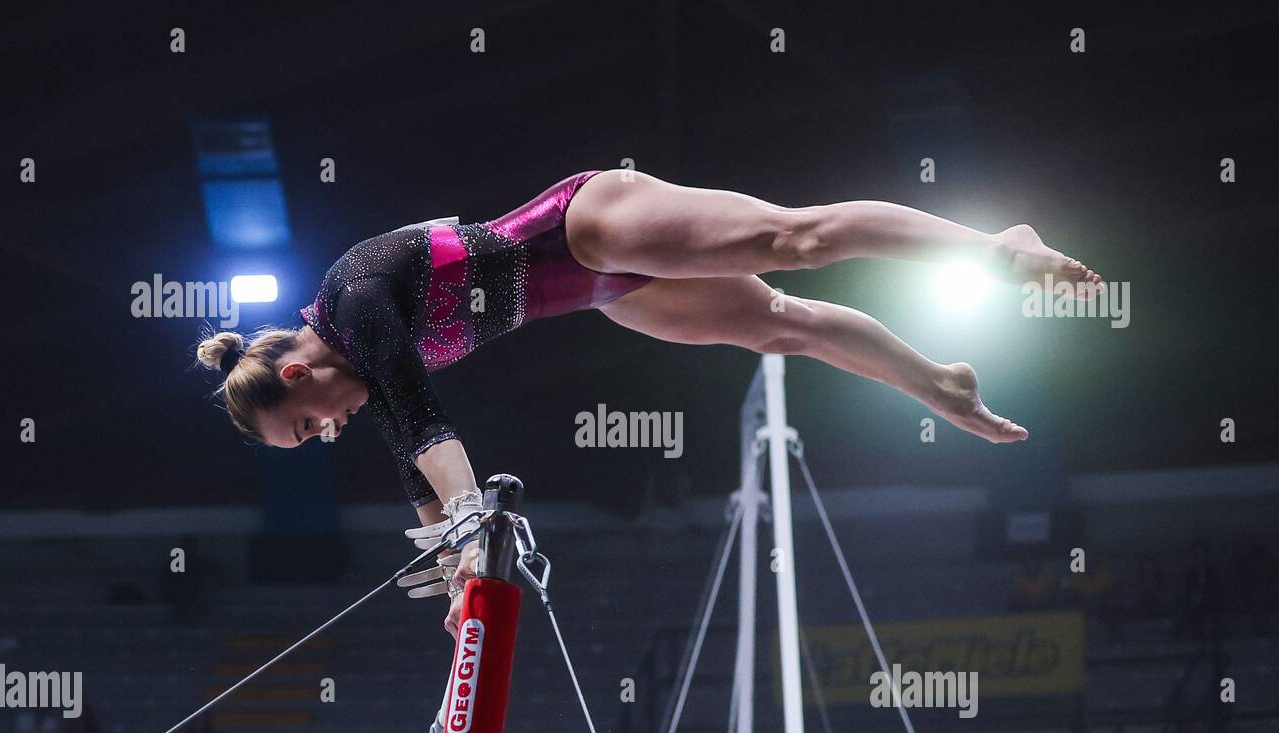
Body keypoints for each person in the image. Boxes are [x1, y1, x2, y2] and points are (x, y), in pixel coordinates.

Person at [195, 170, 1101, 634]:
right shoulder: (357, 350)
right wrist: (464, 575)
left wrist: (463, 527)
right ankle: (938, 382)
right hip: (605, 293)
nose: (327, 433)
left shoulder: (353, 301)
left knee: (795, 239)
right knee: (780, 324)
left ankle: (996, 244)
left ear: (299, 375)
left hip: (584, 224)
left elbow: (419, 423)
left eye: (307, 426)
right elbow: (412, 454)